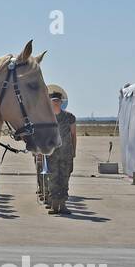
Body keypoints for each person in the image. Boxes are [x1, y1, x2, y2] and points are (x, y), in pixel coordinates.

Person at [44, 85, 77, 215]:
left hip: (66, 154)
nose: (56, 103)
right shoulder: (46, 118)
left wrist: (74, 151)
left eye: (58, 101)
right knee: (52, 180)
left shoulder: (70, 117)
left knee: (64, 179)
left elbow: (74, 135)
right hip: (52, 154)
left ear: (61, 102)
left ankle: (63, 205)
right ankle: (54, 206)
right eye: (54, 101)